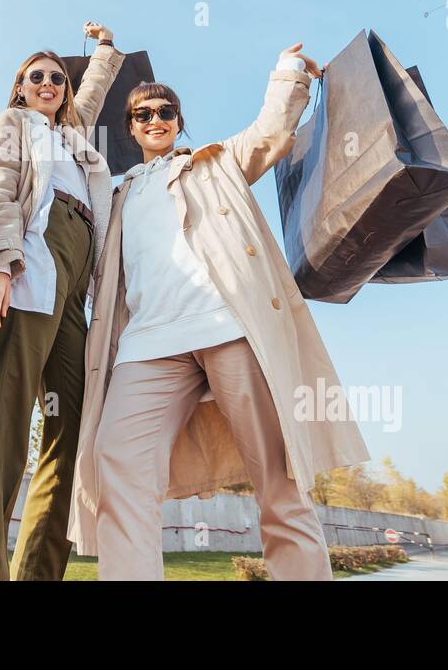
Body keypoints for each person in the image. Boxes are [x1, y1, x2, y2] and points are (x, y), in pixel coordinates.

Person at [67, 43, 372, 580]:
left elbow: (271, 131)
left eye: (165, 111)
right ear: (131, 128)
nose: (155, 119)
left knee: (277, 477)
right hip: (145, 344)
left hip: (229, 327)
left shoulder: (216, 163)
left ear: (178, 122)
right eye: (143, 114)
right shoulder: (117, 195)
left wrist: (287, 70)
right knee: (116, 466)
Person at [0, 22, 125, 581]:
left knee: (74, 424)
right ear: (19, 87)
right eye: (36, 76)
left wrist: (104, 49)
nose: (49, 83)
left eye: (57, 77)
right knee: (1, 414)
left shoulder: (74, 134)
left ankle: (38, 572)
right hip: (33, 257)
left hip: (78, 276)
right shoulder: (13, 126)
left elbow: (94, 90)